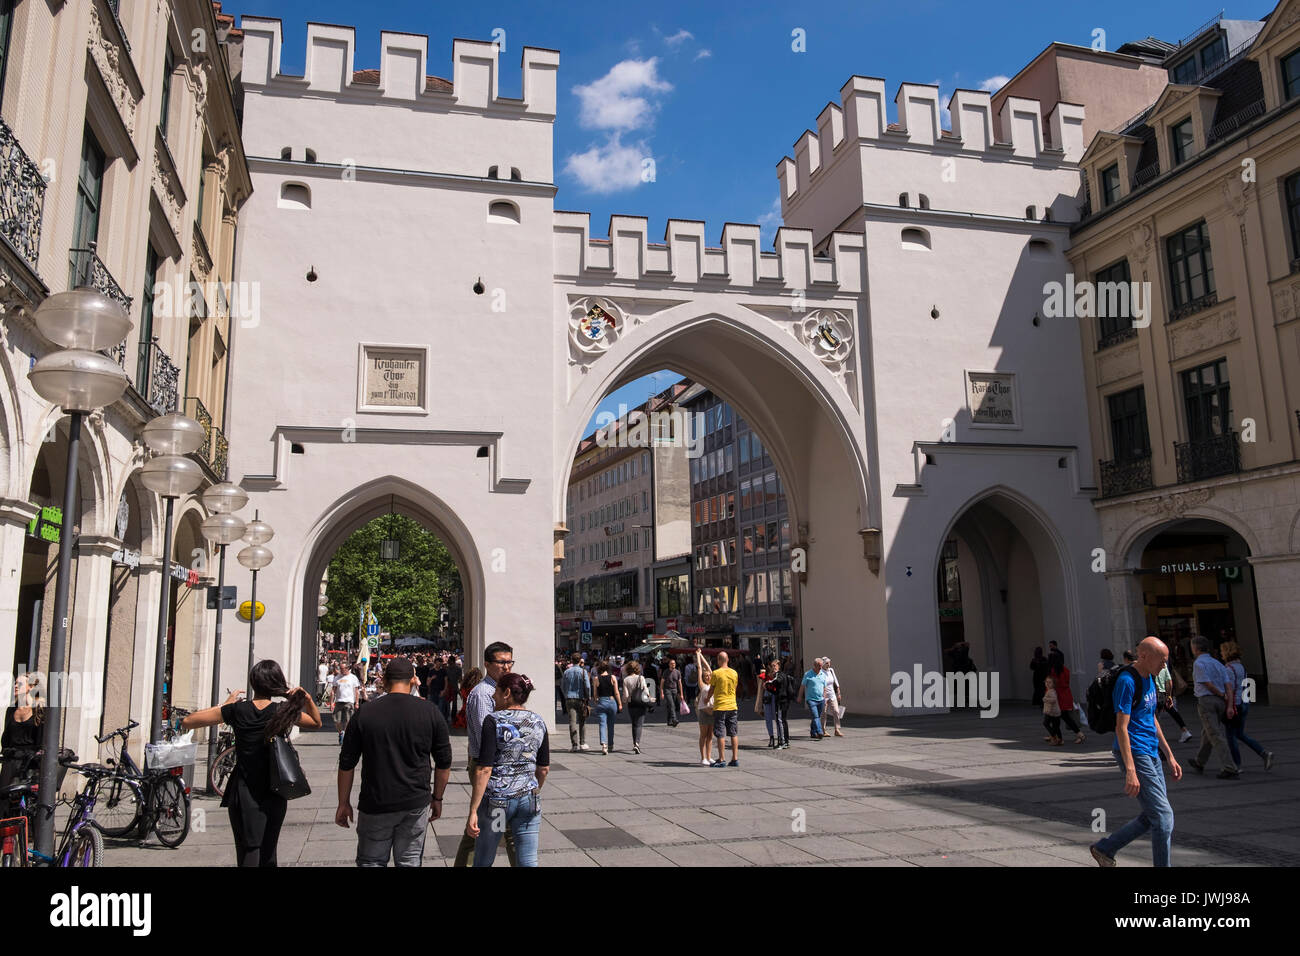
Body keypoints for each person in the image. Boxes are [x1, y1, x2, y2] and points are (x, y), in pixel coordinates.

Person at [182, 660, 322, 867]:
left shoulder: (237, 710)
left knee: (248, 849)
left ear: (253, 683)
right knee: (268, 850)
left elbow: (189, 721)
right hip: (275, 788)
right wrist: (308, 699)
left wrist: (226, 704)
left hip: (244, 788)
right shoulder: (281, 711)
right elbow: (316, 722)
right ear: (276, 683)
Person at [335, 658, 452, 867]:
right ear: (413, 680)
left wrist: (343, 803)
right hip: (415, 801)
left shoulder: (366, 713)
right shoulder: (430, 712)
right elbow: (444, 763)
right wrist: (438, 798)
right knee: (408, 861)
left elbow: (346, 763)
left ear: (386, 680)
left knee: (371, 861)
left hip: (376, 802)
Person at [1090, 636, 1180, 867]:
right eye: (1162, 660)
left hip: (1151, 752)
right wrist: (1130, 770)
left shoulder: (1150, 677)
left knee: (1154, 815)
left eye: (1166, 661)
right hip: (1135, 752)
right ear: (1144, 656)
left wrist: (1169, 755)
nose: (1165, 666)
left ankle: (1105, 848)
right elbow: (1121, 727)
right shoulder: (1127, 681)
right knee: (1163, 818)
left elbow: (1152, 718)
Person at [467, 673, 550, 867]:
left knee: (484, 857)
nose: (493, 696)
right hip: (529, 800)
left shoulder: (493, 720)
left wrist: (473, 810)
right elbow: (543, 768)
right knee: (528, 860)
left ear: (507, 693)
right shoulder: (538, 721)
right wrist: (533, 789)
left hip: (498, 802)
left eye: (496, 691)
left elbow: (484, 769)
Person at [453, 643, 518, 867]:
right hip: (488, 768)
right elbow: (485, 739)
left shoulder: (503, 690)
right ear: (487, 664)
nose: (507, 667)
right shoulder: (483, 694)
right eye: (501, 662)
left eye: (509, 661)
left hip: (496, 767)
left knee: (487, 826)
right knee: (502, 828)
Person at [1187, 636, 1238, 779]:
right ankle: (1199, 761)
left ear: (1195, 648)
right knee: (1207, 732)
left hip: (1207, 701)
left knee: (1214, 734)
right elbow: (1228, 685)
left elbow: (1207, 683)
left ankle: (1229, 767)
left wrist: (1220, 694)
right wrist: (1228, 704)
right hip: (1220, 703)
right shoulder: (1218, 663)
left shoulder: (1199, 664)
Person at [1220, 641, 1272, 772]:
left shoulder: (1228, 669)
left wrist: (1229, 706)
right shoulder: (1241, 667)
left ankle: (1237, 765)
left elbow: (1229, 689)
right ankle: (1263, 753)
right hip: (1244, 703)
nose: (1220, 654)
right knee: (1239, 734)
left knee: (1231, 736)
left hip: (1235, 704)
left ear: (1226, 653)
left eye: (1222, 651)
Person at [0, 674, 43, 814]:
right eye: (15, 684)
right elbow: (5, 739)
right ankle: (6, 834)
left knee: (28, 805)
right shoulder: (11, 710)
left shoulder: (39, 710)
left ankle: (29, 834)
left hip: (30, 762)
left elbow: (41, 742)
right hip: (11, 761)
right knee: (4, 801)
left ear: (31, 687)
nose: (15, 686)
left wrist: (35, 756)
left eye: (19, 684)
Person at [709, 651, 740, 767]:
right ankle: (735, 758)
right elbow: (735, 688)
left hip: (720, 707)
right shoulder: (734, 673)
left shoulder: (716, 673)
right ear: (727, 660)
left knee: (720, 734)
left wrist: (707, 699)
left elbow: (711, 689)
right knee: (733, 733)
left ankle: (722, 759)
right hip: (732, 705)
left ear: (719, 660)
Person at [1154, 660, 1192, 743]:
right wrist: (1169, 696)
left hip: (1155, 694)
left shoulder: (1150, 665)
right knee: (1172, 711)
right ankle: (1185, 730)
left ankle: (1156, 737)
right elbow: (1169, 682)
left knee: (1153, 717)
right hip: (1163, 693)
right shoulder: (1164, 665)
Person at [622, 660, 655, 755]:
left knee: (634, 724)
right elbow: (646, 690)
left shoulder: (626, 679)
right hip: (641, 703)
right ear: (637, 668)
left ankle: (634, 743)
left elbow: (626, 695)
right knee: (639, 724)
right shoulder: (641, 678)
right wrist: (650, 699)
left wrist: (624, 702)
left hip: (631, 704)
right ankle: (637, 743)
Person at [1049, 661, 1086, 743]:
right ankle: (1054, 735)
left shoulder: (1053, 671)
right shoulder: (1066, 670)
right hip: (1066, 695)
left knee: (1060, 717)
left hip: (1058, 696)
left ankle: (1058, 737)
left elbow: (1053, 684)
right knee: (1065, 717)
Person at [561, 653, 591, 752]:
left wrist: (566, 694)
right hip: (581, 698)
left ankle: (574, 744)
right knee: (582, 721)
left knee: (572, 722)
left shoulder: (566, 672)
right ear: (579, 661)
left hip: (569, 698)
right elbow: (587, 686)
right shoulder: (583, 672)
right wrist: (588, 696)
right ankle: (582, 743)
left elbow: (562, 685)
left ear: (571, 660)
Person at [693, 649, 719, 766]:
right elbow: (700, 668)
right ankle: (703, 757)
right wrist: (698, 655)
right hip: (704, 711)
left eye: (709, 675)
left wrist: (701, 654)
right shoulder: (702, 685)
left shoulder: (712, 684)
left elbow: (708, 666)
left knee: (710, 736)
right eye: (706, 676)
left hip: (712, 711)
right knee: (703, 735)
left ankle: (709, 757)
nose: (708, 676)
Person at [593, 661, 622, 756]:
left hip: (601, 702)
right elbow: (617, 692)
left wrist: (597, 701)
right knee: (611, 725)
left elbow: (595, 694)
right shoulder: (613, 677)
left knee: (602, 724)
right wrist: (620, 704)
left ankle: (604, 745)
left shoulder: (596, 678)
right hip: (611, 701)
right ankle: (610, 745)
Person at [332, 662, 362, 744]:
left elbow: (356, 691)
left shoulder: (353, 678)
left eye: (343, 668)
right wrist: (331, 702)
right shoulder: (337, 677)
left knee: (348, 720)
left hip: (349, 701)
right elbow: (333, 691)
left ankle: (345, 733)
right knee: (336, 720)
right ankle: (341, 733)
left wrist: (357, 703)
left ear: (348, 668)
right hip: (339, 701)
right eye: (340, 668)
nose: (341, 670)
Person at [797, 658, 828, 739]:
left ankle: (813, 732)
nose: (820, 667)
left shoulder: (823, 675)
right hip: (811, 699)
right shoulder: (808, 674)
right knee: (815, 715)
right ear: (814, 665)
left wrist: (824, 698)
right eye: (819, 666)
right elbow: (802, 686)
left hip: (820, 699)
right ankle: (819, 731)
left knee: (816, 717)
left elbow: (825, 688)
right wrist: (800, 696)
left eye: (821, 665)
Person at [821, 656, 844, 737]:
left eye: (829, 663)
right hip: (823, 695)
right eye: (826, 663)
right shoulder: (820, 672)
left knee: (836, 711)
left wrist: (838, 692)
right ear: (823, 664)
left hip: (832, 694)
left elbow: (836, 682)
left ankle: (837, 730)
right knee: (823, 712)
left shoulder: (831, 670)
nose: (828, 664)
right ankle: (823, 730)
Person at [661, 657, 682, 727]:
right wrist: (661, 692)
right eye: (671, 664)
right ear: (669, 665)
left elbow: (679, 683)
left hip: (675, 690)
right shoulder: (666, 672)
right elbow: (662, 682)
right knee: (672, 705)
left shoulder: (677, 672)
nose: (673, 665)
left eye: (674, 663)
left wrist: (681, 694)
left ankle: (669, 721)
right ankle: (674, 719)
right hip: (667, 690)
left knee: (670, 706)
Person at [1042, 674, 1062, 746]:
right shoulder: (1050, 690)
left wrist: (1045, 699)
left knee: (1046, 723)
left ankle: (1054, 737)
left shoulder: (1051, 691)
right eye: (1046, 682)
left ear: (1053, 684)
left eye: (1049, 682)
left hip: (1051, 712)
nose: (1047, 684)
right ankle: (1059, 739)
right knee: (1056, 726)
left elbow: (1053, 699)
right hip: (1053, 712)